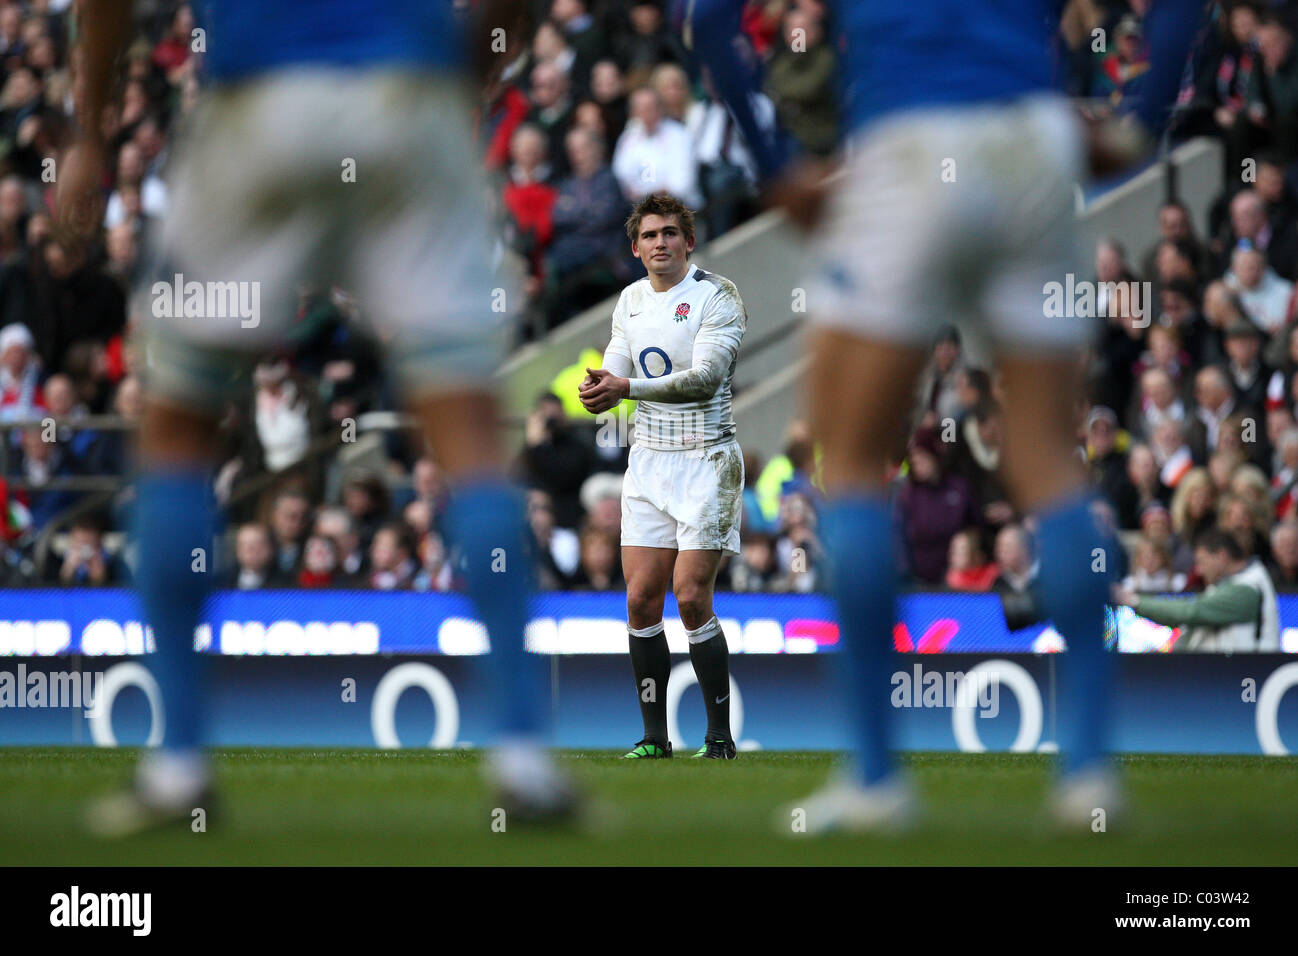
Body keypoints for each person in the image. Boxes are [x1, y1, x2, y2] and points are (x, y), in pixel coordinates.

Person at [61, 0, 573, 834]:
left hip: (256, 104)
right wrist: (473, 70)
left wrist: (90, 130)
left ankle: (179, 761)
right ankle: (522, 753)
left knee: (179, 431)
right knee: (473, 436)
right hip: (404, 97)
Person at [743, 0, 1202, 831]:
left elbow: (707, 20)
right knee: (1050, 465)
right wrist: (1142, 119)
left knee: (846, 464)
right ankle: (1090, 775)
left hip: (906, 140)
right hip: (1030, 138)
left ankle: (877, 778)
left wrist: (776, 159)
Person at [578, 192, 746, 760]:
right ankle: (655, 738)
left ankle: (719, 738)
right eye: (650, 236)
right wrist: (600, 388)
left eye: (670, 233)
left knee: (691, 595)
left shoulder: (717, 296)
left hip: (706, 459)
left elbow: (703, 378)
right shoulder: (630, 300)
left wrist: (626, 390)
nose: (661, 244)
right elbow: (617, 363)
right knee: (641, 600)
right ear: (636, 248)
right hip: (647, 461)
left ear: (689, 241)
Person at [1113, 529, 1280, 652]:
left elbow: (1190, 612)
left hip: (1246, 680)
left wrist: (1133, 601)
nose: (1199, 570)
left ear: (1221, 555)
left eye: (1202, 561)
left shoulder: (1247, 589)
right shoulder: (1232, 584)